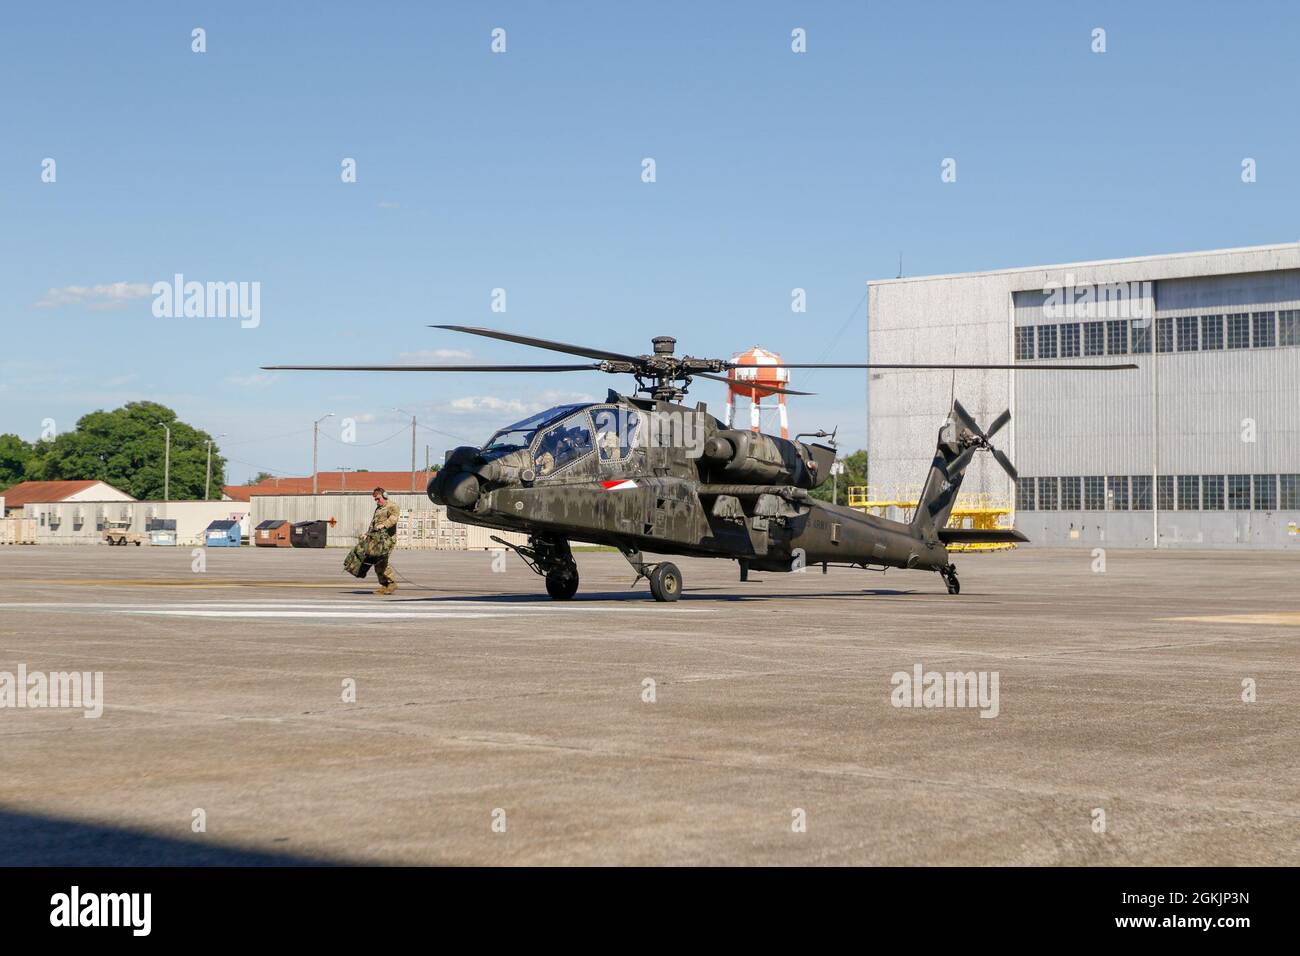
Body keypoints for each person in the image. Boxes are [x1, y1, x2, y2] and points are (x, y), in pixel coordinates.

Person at [366, 487, 401, 595]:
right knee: (376, 562)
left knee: (382, 561)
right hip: (377, 539)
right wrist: (367, 534)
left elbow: (394, 519)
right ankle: (384, 584)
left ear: (385, 496)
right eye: (375, 499)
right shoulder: (378, 509)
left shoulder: (392, 506)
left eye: (378, 499)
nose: (377, 501)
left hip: (388, 539)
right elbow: (373, 523)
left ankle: (391, 583)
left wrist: (384, 525)